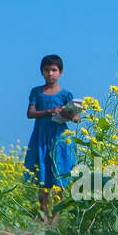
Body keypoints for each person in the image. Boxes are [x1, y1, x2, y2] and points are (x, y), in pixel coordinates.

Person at [24, 54, 81, 225]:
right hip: (41, 137)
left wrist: (67, 113)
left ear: (61, 73)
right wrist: (49, 111)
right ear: (42, 72)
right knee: (42, 175)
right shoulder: (36, 92)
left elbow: (76, 118)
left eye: (54, 70)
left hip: (60, 138)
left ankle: (55, 215)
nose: (50, 74)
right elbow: (30, 113)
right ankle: (43, 214)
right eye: (47, 70)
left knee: (59, 175)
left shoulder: (66, 94)